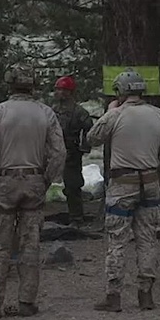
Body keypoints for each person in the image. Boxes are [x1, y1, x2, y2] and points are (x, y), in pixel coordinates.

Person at [0, 65, 66, 318]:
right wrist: (48, 179)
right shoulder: (46, 113)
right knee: (30, 244)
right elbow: (59, 152)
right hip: (34, 180)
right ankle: (27, 301)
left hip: (4, 181)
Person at [86, 69, 160, 312]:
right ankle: (145, 293)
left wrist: (110, 112)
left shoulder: (116, 115)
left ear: (121, 91)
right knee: (147, 238)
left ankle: (114, 294)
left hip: (122, 184)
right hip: (150, 182)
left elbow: (93, 137)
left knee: (117, 239)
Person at [53, 75, 94, 226]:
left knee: (72, 186)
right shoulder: (53, 110)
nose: (58, 93)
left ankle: (76, 217)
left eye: (61, 90)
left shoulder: (78, 112)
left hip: (71, 152)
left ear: (69, 92)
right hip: (54, 150)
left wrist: (84, 146)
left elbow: (89, 128)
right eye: (57, 89)